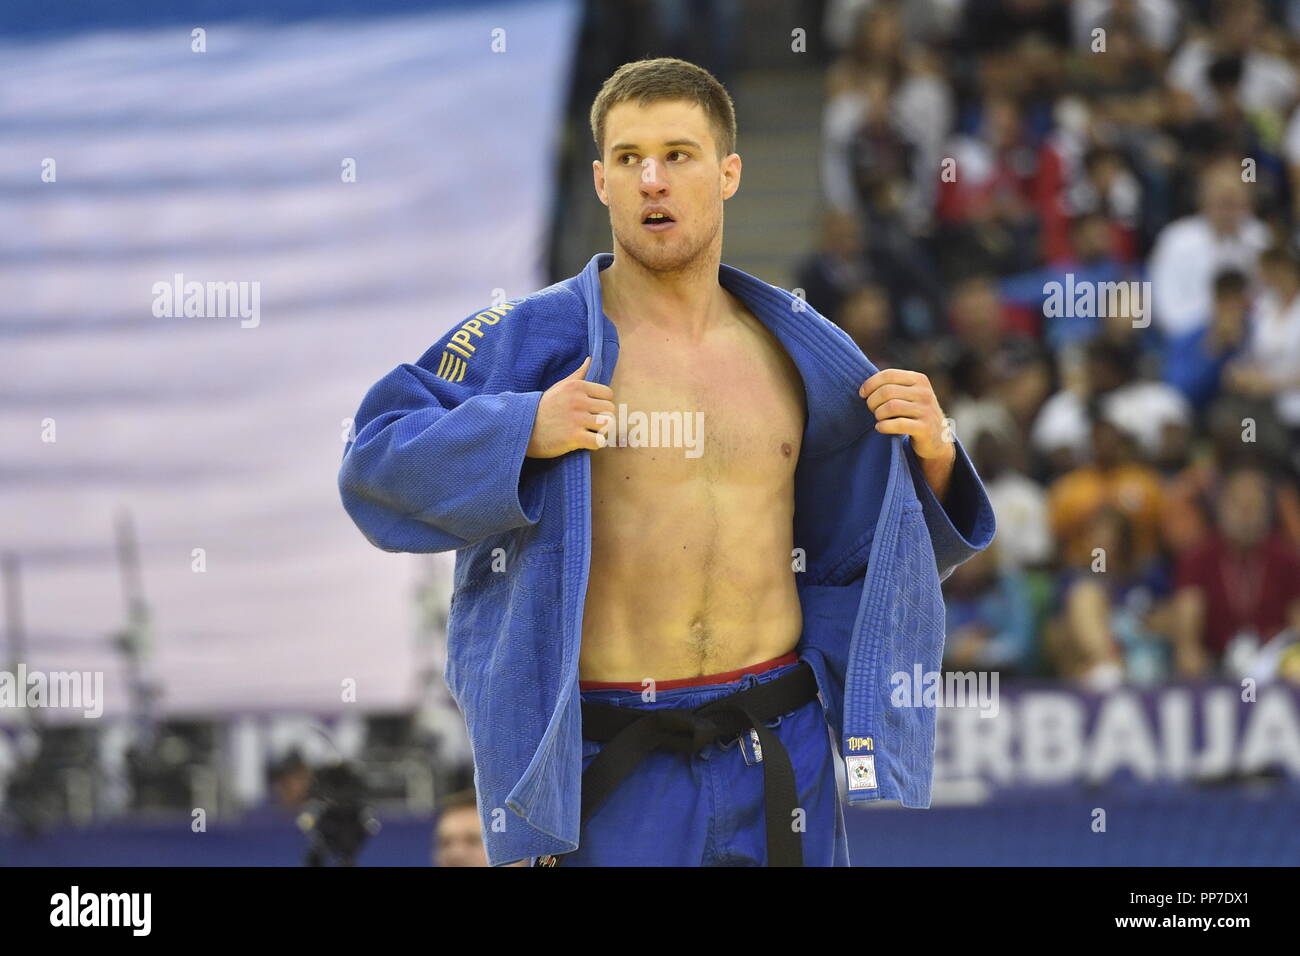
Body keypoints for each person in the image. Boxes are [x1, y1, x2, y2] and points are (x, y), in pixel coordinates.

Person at [338, 57, 994, 866]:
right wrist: (521, 429)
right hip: (614, 759)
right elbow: (373, 459)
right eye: (628, 159)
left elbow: (882, 556)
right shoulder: (534, 340)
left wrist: (935, 459)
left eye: (678, 155)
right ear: (601, 182)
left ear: (728, 174)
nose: (653, 180)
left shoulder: (801, 354)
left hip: (776, 747)